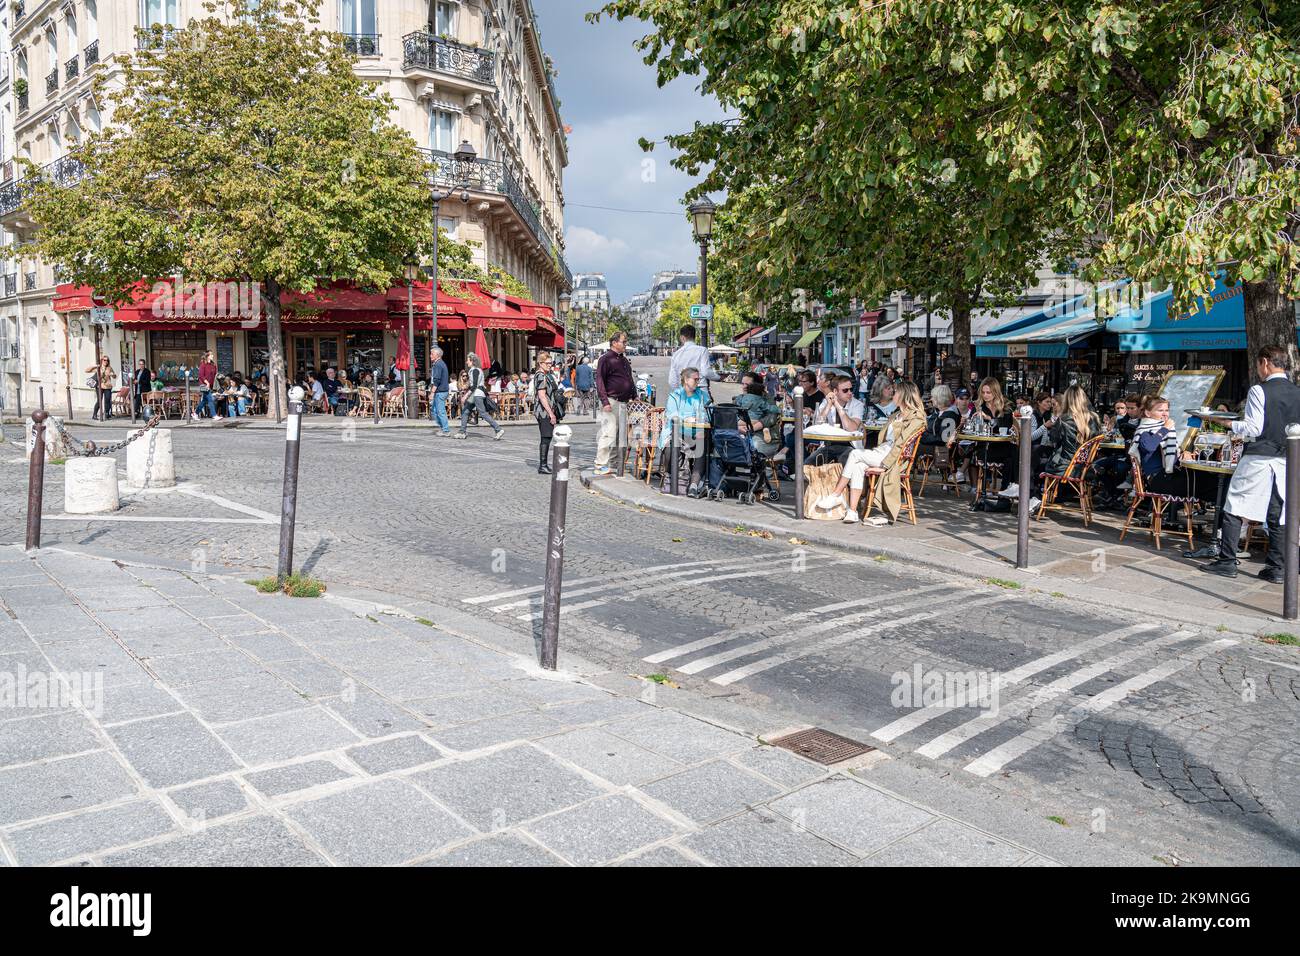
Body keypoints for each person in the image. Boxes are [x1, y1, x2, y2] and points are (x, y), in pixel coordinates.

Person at [1201, 347, 1300, 580]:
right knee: (1279, 511)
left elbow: (1254, 428)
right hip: (1287, 458)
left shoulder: (1259, 390)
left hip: (1260, 455)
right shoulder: (1297, 392)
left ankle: (1226, 561)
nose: (1258, 370)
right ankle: (1276, 568)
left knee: (1235, 506)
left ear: (1265, 362)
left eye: (1258, 365)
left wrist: (1222, 421)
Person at [815, 381, 926, 525]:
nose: (893, 394)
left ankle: (836, 494)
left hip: (893, 458)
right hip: (883, 451)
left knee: (855, 454)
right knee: (858, 465)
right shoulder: (896, 415)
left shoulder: (916, 418)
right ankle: (852, 511)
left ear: (904, 395)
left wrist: (886, 465)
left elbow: (901, 445)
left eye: (896, 392)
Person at [658, 366, 712, 495]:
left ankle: (694, 484)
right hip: (676, 432)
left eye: (699, 379)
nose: (698, 382)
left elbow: (709, 412)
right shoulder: (675, 395)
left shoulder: (702, 395)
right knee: (671, 448)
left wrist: (700, 419)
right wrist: (687, 419)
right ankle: (673, 479)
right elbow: (672, 415)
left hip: (696, 432)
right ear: (686, 379)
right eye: (695, 379)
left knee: (702, 446)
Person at [593, 331, 635, 476]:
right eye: (624, 342)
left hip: (624, 402)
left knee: (620, 436)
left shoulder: (623, 360)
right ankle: (600, 464)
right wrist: (605, 401)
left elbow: (629, 379)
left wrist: (634, 396)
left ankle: (614, 463)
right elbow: (599, 381)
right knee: (608, 433)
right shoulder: (605, 359)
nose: (625, 344)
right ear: (614, 343)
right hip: (611, 400)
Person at [454, 352, 504, 440]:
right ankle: (462, 432)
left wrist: (465, 396)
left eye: (468, 360)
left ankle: (498, 429)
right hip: (477, 394)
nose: (466, 362)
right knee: (465, 412)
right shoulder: (476, 370)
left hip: (477, 394)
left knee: (483, 413)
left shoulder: (475, 370)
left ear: (472, 361)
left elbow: (475, 385)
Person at [532, 352, 563, 474]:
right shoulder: (540, 376)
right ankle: (542, 465)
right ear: (540, 363)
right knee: (546, 437)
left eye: (551, 363)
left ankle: (544, 464)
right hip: (543, 411)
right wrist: (551, 413)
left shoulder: (546, 375)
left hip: (545, 410)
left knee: (547, 436)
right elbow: (542, 396)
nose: (550, 365)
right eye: (547, 363)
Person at [667, 324, 718, 400]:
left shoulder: (676, 354)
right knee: (705, 411)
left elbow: (672, 381)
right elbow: (706, 372)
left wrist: (680, 391)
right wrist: (718, 377)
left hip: (684, 392)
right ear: (695, 337)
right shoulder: (702, 350)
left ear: (682, 338)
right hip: (701, 391)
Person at [736, 378, 782, 457]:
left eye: (746, 384)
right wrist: (778, 409)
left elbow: (735, 409)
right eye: (742, 384)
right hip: (755, 421)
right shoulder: (761, 400)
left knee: (738, 425)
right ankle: (764, 429)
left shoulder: (742, 398)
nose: (743, 387)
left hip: (745, 421)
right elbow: (769, 408)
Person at [427, 346, 451, 436]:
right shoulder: (440, 363)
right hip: (442, 391)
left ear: (437, 355)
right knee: (434, 410)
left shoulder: (438, 364)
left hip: (440, 392)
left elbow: (436, 380)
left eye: (432, 354)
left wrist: (432, 393)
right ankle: (443, 428)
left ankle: (445, 430)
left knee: (440, 411)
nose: (430, 356)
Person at [86, 355, 117, 421]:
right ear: (101, 360)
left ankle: (106, 414)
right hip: (99, 386)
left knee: (107, 400)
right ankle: (94, 415)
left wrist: (113, 375)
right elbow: (87, 370)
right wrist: (95, 366)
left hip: (108, 386)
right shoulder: (98, 368)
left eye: (107, 360)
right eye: (104, 360)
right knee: (99, 401)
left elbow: (114, 376)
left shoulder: (109, 368)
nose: (106, 361)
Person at [194, 350, 220, 421]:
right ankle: (214, 415)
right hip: (204, 385)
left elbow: (215, 375)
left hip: (211, 385)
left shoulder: (213, 365)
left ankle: (195, 413)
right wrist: (207, 383)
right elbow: (201, 376)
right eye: (211, 355)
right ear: (207, 356)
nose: (213, 356)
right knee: (210, 399)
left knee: (204, 401)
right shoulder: (203, 364)